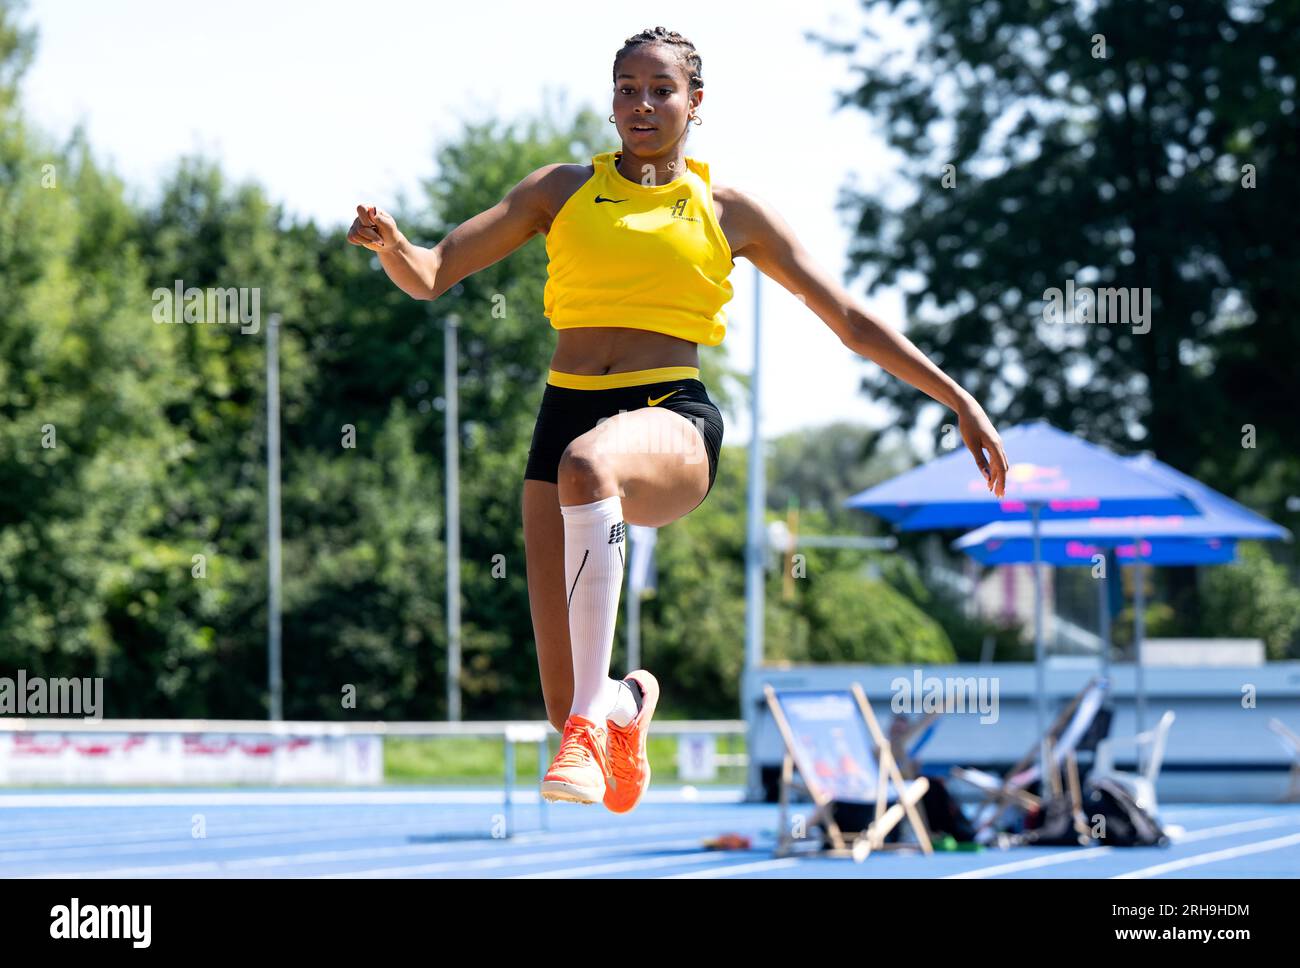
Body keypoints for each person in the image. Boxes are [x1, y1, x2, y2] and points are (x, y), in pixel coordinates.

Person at [347, 26, 1009, 813]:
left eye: (661, 89)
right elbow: (431, 274)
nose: (642, 103)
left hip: (670, 416)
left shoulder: (727, 210)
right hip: (563, 417)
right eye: (626, 88)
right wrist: (391, 245)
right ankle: (625, 703)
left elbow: (849, 320)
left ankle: (599, 722)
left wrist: (958, 399)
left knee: (591, 466)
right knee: (567, 707)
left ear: (696, 103)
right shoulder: (557, 191)